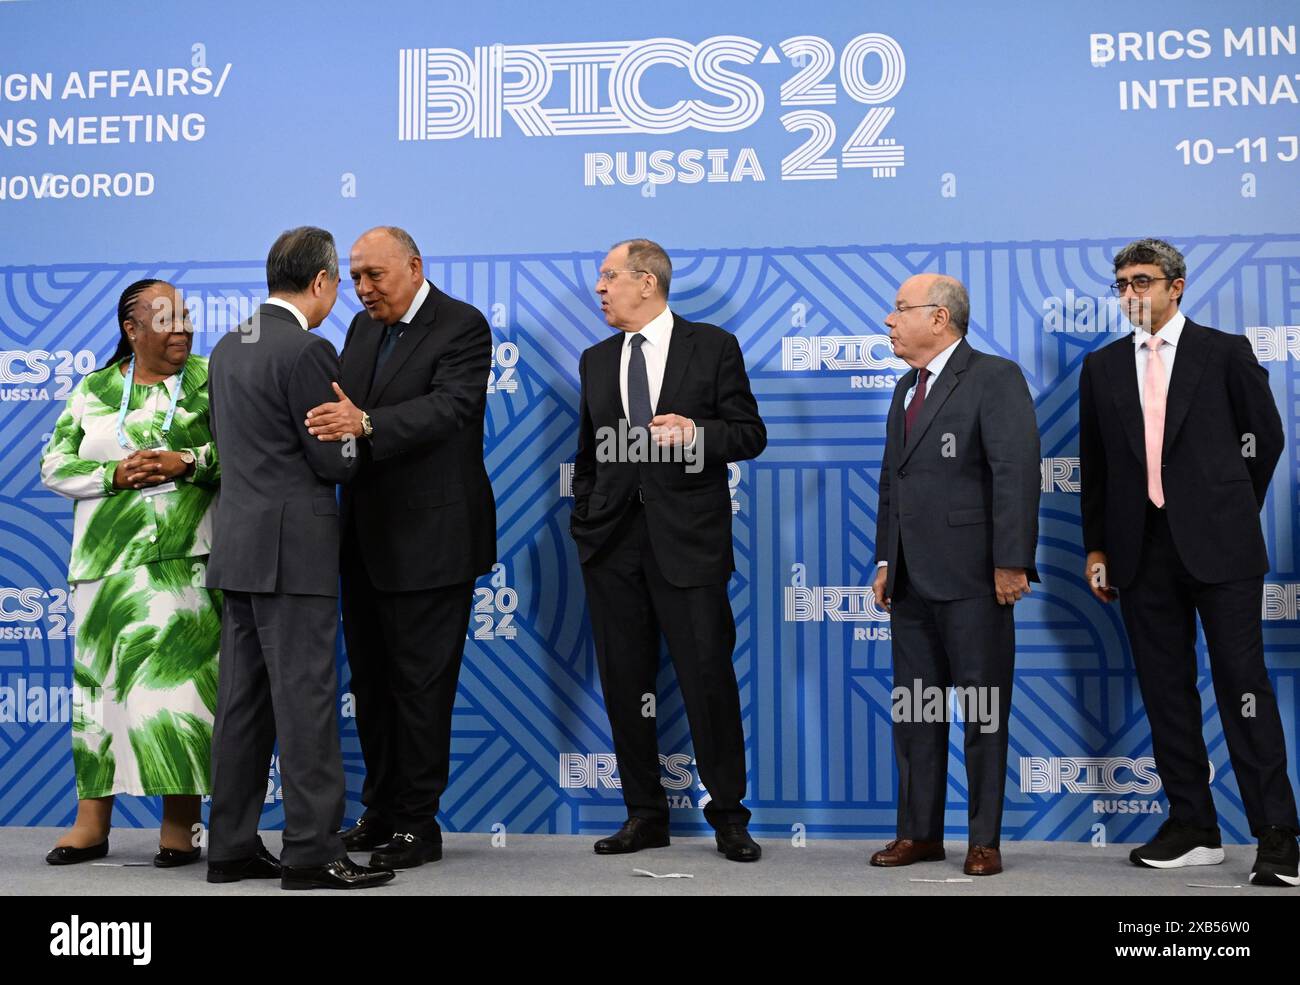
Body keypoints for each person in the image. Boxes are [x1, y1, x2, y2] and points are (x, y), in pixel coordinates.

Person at [1079, 237, 1299, 887]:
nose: (1129, 294)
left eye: (1141, 281)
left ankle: (1280, 833)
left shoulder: (1224, 352)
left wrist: (1227, 508)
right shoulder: (1103, 366)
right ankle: (1193, 824)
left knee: (1245, 689)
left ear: (1176, 286)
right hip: (1138, 551)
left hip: (1221, 549)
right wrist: (1098, 546)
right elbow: (1097, 467)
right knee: (1165, 691)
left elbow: (1265, 438)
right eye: (1120, 284)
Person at [205, 227, 393, 891]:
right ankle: (312, 851)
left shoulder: (228, 346)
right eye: (340, 283)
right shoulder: (310, 350)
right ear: (320, 282)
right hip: (295, 553)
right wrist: (355, 440)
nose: (340, 295)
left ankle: (228, 846)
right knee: (307, 703)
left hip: (238, 548)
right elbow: (329, 456)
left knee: (242, 704)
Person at [568, 238, 767, 862]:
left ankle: (729, 817)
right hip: (612, 549)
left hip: (689, 547)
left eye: (609, 277)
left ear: (647, 282)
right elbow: (589, 454)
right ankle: (644, 815)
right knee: (625, 686)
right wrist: (587, 523)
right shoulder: (596, 359)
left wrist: (695, 433)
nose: (599, 288)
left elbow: (749, 434)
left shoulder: (712, 347)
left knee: (708, 681)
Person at [304, 226, 496, 869]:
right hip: (362, 539)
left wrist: (368, 422)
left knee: (421, 687)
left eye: (374, 276)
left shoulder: (462, 326)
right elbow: (343, 411)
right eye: (354, 277)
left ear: (414, 267)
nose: (361, 289)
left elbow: (454, 407)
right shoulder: (361, 331)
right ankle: (382, 810)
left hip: (433, 542)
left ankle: (419, 824)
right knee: (376, 684)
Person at [40, 278, 220, 868]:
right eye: (166, 320)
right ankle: (90, 825)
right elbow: (54, 465)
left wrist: (187, 461)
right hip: (103, 571)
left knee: (178, 698)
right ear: (132, 329)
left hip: (182, 567)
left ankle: (181, 827)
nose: (182, 330)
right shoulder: (93, 390)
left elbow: (247, 452)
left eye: (186, 318)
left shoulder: (210, 382)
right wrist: (113, 475)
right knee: (99, 696)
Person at [869, 274, 1040, 877]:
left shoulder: (994, 378)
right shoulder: (902, 390)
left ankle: (984, 841)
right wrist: (887, 559)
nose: (889, 321)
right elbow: (895, 481)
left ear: (938, 318)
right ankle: (919, 834)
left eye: (899, 310)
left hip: (976, 578)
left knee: (983, 711)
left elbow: (1015, 471)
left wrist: (1011, 561)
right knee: (915, 711)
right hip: (911, 581)